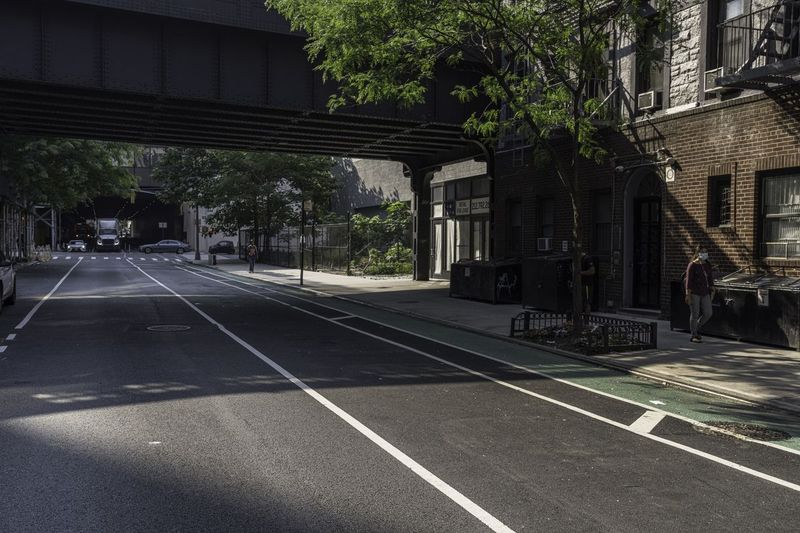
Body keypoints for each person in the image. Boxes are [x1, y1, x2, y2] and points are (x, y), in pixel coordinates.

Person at [685, 246, 715, 343]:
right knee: (695, 314)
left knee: (708, 313)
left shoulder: (707, 264)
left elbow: (710, 278)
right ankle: (694, 335)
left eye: (706, 252)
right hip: (694, 293)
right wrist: (688, 295)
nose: (704, 254)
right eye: (702, 252)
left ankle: (696, 327)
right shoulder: (692, 265)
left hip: (705, 292)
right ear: (698, 253)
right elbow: (688, 282)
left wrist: (712, 287)